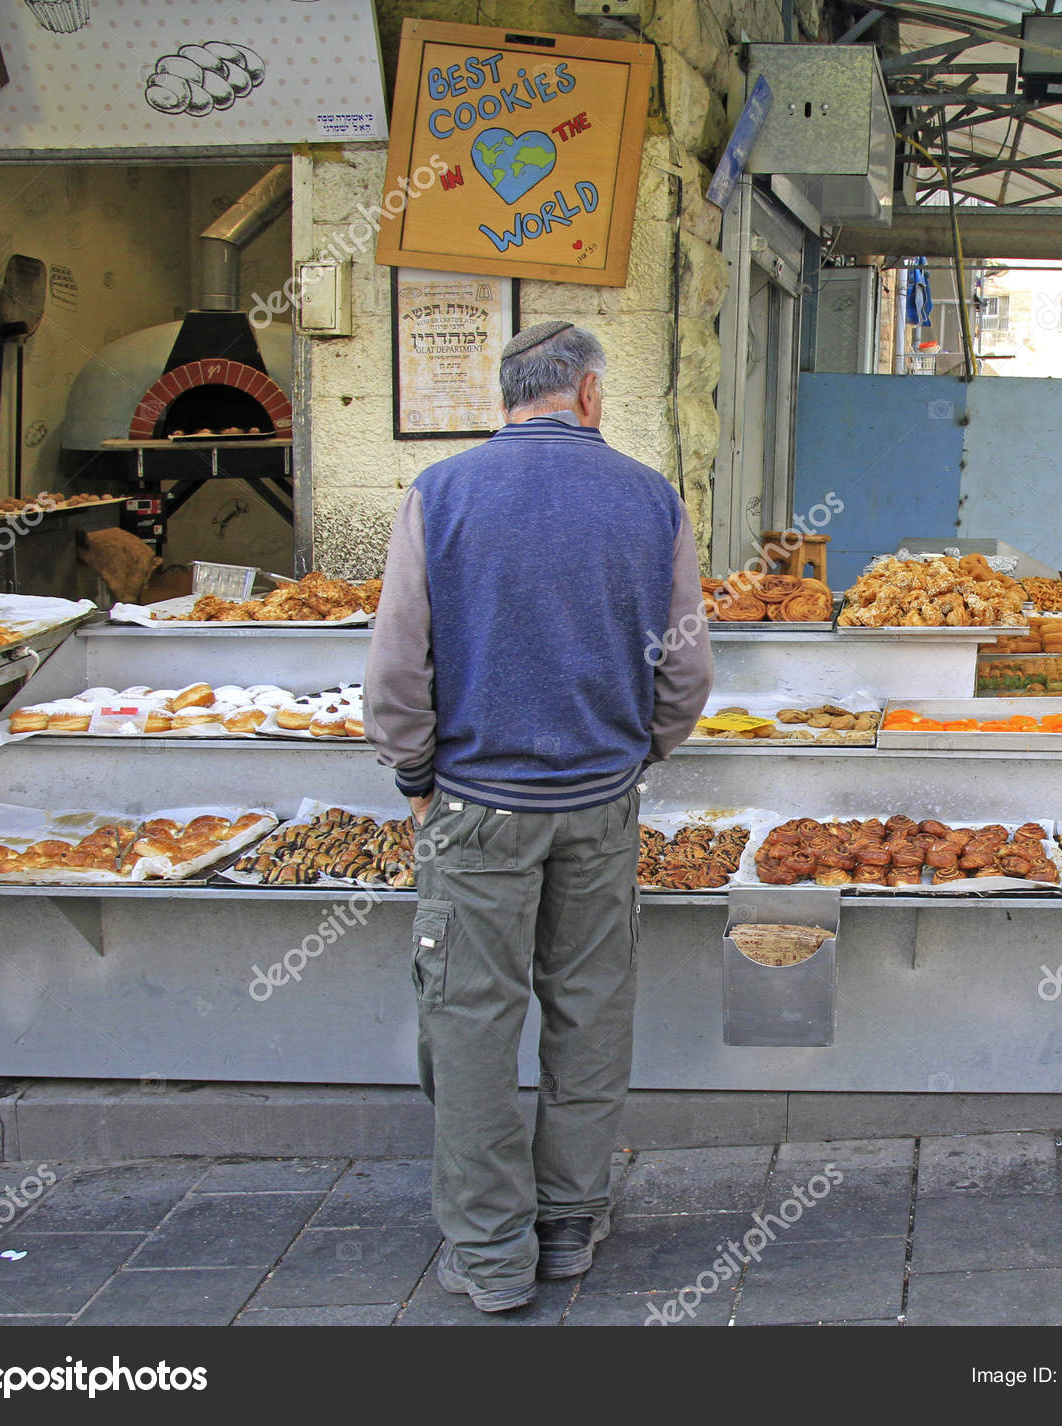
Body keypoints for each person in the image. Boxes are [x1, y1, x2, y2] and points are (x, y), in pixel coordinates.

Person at [364, 320, 713, 1312]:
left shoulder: (440, 494)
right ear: (590, 395)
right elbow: (686, 667)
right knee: (589, 1010)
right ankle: (568, 1221)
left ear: (504, 395)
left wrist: (415, 776)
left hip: (476, 809)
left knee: (471, 1023)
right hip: (600, 807)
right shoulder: (651, 500)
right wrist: (637, 750)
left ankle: (490, 1255)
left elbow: (395, 669)